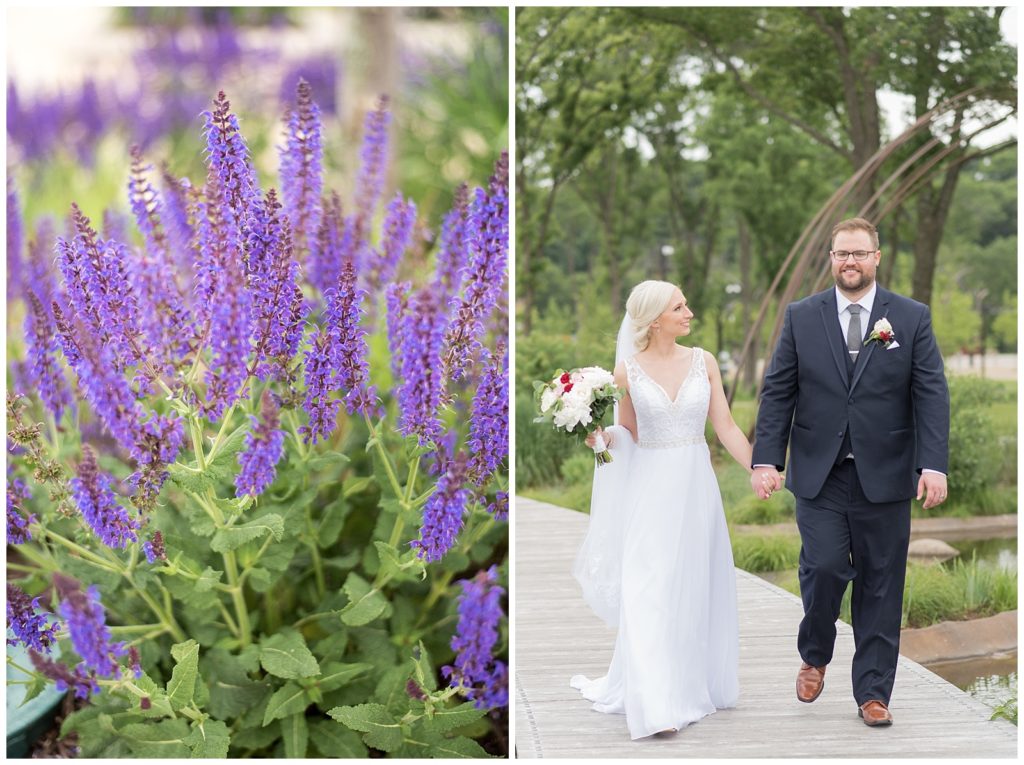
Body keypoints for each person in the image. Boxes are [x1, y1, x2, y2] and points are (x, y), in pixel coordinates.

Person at [751, 217, 950, 727]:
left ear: (876, 257)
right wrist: (767, 458)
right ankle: (815, 653)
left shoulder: (909, 317)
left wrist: (933, 465)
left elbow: (930, 394)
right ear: (831, 258)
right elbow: (778, 391)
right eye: (842, 254)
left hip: (885, 475)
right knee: (823, 567)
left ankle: (873, 693)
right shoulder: (801, 316)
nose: (850, 262)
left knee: (882, 584)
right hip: (820, 473)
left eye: (859, 253)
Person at [570, 279, 776, 740]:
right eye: (679, 307)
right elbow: (627, 433)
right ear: (655, 318)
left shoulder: (703, 362)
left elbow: (723, 425)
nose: (690, 313)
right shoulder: (626, 372)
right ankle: (654, 704)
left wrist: (758, 467)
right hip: (651, 487)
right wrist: (601, 443)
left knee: (690, 583)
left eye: (686, 303)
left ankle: (686, 682)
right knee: (648, 587)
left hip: (695, 486)